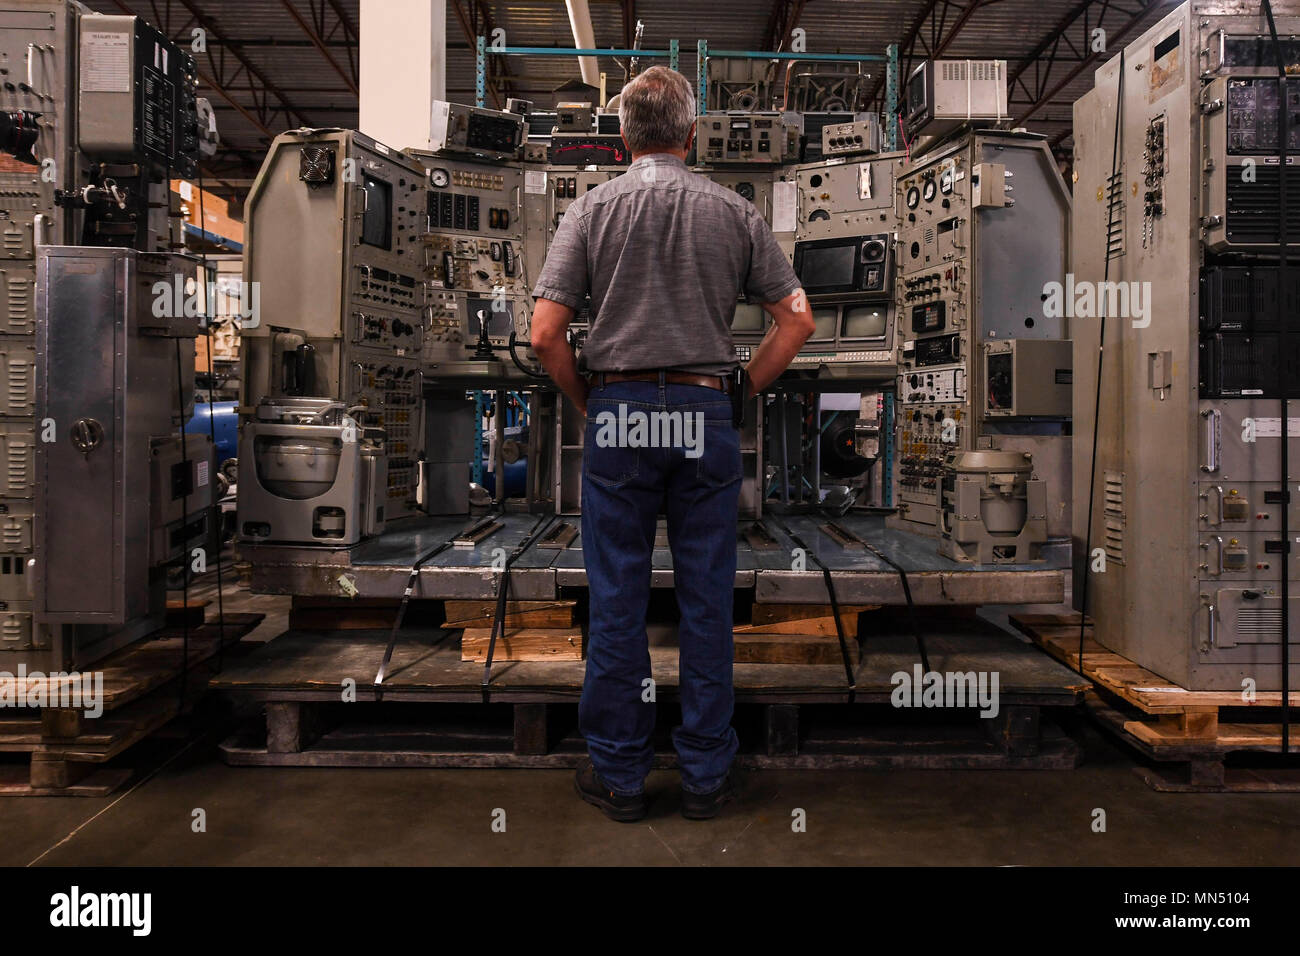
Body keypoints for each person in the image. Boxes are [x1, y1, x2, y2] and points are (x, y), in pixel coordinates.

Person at [530, 66, 813, 821]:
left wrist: (595, 403)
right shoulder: (735, 213)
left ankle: (620, 778)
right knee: (706, 597)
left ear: (622, 138)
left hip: (621, 413)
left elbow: (545, 335)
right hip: (702, 409)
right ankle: (706, 776)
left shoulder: (590, 213)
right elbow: (798, 321)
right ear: (691, 136)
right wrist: (739, 393)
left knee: (618, 599)